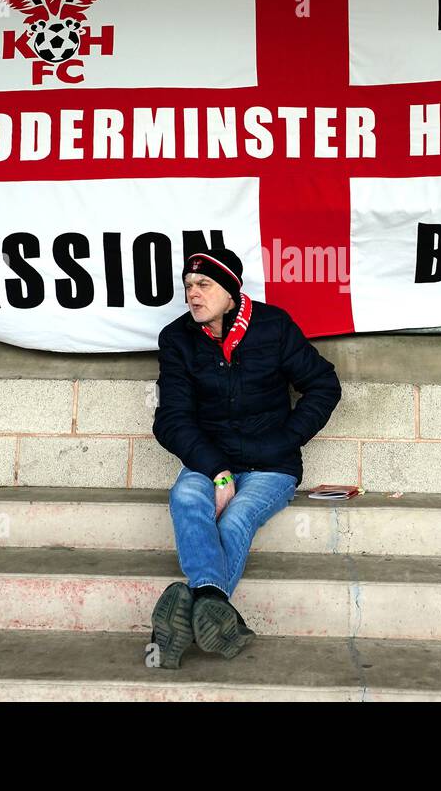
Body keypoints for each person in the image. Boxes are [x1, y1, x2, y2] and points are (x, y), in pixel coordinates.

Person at [148, 246, 342, 668]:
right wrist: (217, 470)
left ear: (230, 290)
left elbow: (324, 384)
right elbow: (171, 420)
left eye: (203, 285)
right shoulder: (177, 338)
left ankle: (190, 606)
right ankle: (213, 607)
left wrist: (285, 440)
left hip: (271, 465)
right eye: (187, 287)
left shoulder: (273, 326)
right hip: (209, 461)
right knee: (185, 497)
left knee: (237, 517)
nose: (193, 295)